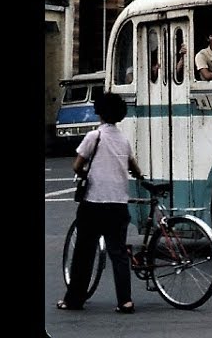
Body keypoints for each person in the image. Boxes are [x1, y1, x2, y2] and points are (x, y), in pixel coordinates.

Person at [56, 92, 145, 314]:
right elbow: (134, 167)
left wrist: (87, 171)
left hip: (93, 203)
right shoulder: (123, 140)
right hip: (118, 204)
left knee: (84, 253)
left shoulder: (93, 136)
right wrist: (139, 175)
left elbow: (77, 165)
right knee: (119, 253)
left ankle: (74, 299)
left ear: (99, 112)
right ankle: (125, 301)